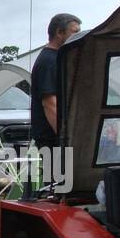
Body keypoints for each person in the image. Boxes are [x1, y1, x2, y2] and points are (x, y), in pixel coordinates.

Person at [31, 13, 82, 148]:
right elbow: (50, 103)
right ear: (59, 32)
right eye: (75, 32)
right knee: (58, 170)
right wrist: (64, 138)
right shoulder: (48, 61)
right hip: (52, 140)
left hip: (56, 139)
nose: (78, 36)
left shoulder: (58, 57)